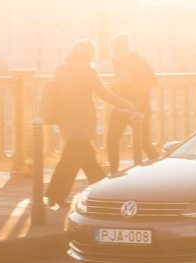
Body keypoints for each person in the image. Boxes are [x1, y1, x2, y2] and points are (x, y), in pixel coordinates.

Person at [43, 40, 131, 211]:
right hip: (82, 121)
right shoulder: (88, 72)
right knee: (73, 160)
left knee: (86, 160)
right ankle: (102, 194)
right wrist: (126, 104)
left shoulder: (61, 70)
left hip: (65, 120)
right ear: (89, 55)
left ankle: (61, 195)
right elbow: (104, 94)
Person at [105, 34, 157, 173]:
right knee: (111, 139)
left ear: (125, 47)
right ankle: (114, 171)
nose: (115, 51)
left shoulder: (139, 61)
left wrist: (132, 86)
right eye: (113, 49)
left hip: (138, 107)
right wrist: (113, 87)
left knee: (144, 143)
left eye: (117, 48)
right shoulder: (116, 61)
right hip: (121, 105)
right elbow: (120, 81)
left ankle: (161, 169)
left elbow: (153, 80)